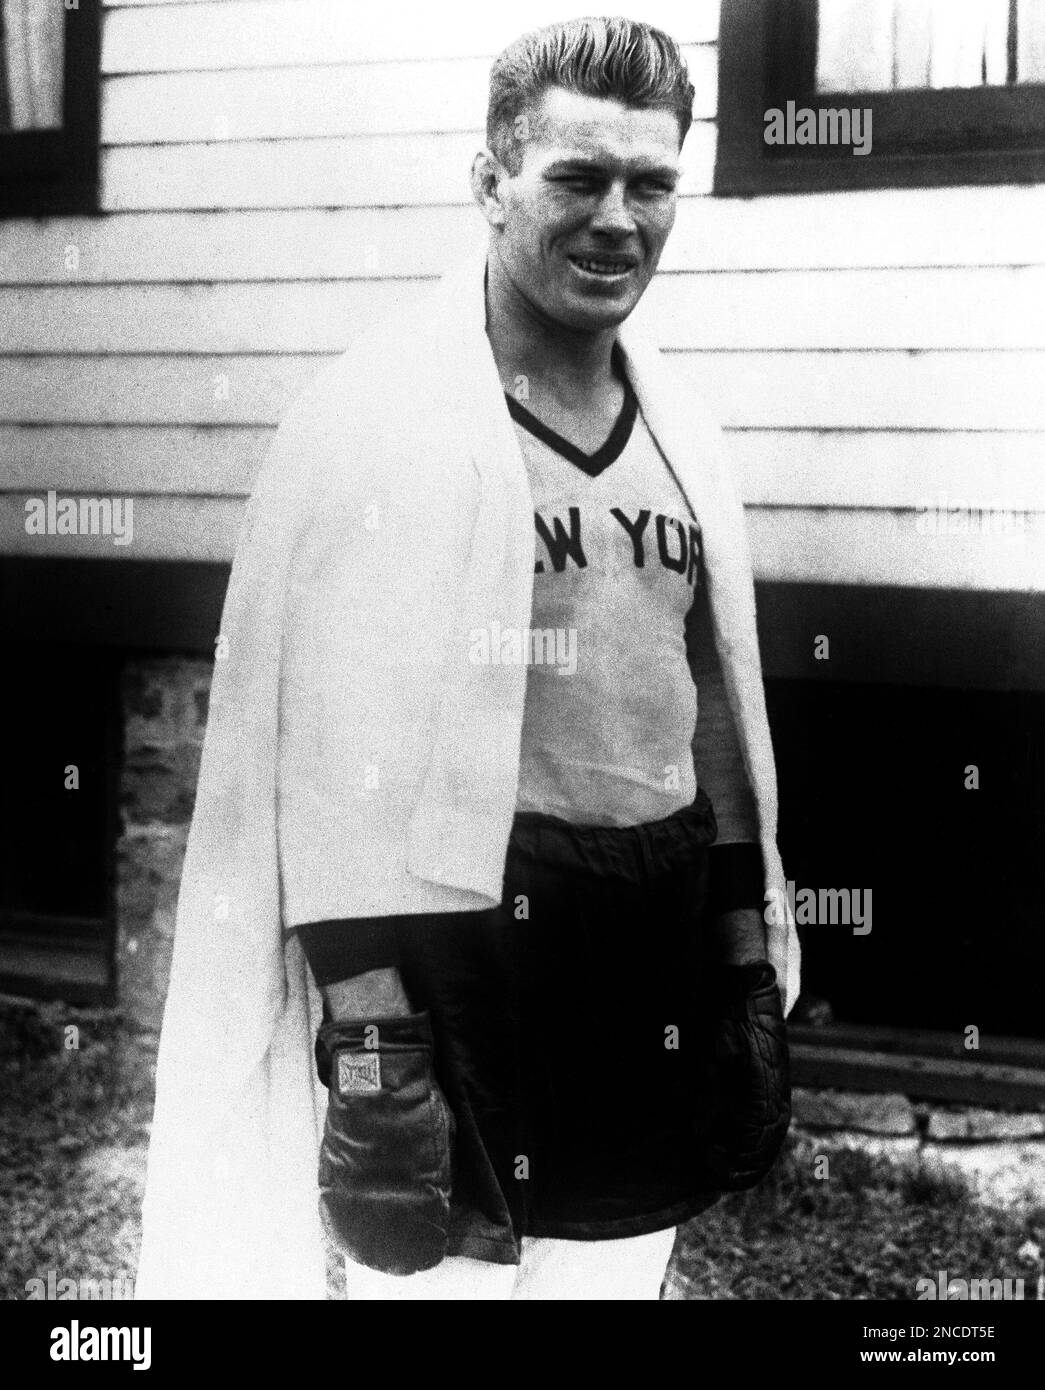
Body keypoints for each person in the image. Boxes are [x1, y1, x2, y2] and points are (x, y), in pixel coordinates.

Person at [136, 16, 800, 1303]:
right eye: (576, 178)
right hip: (455, 962)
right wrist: (373, 1032)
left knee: (606, 1286)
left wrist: (735, 955)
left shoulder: (686, 439)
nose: (619, 219)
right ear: (489, 181)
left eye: (651, 184)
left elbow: (709, 714)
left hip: (639, 944)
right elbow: (319, 764)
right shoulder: (379, 419)